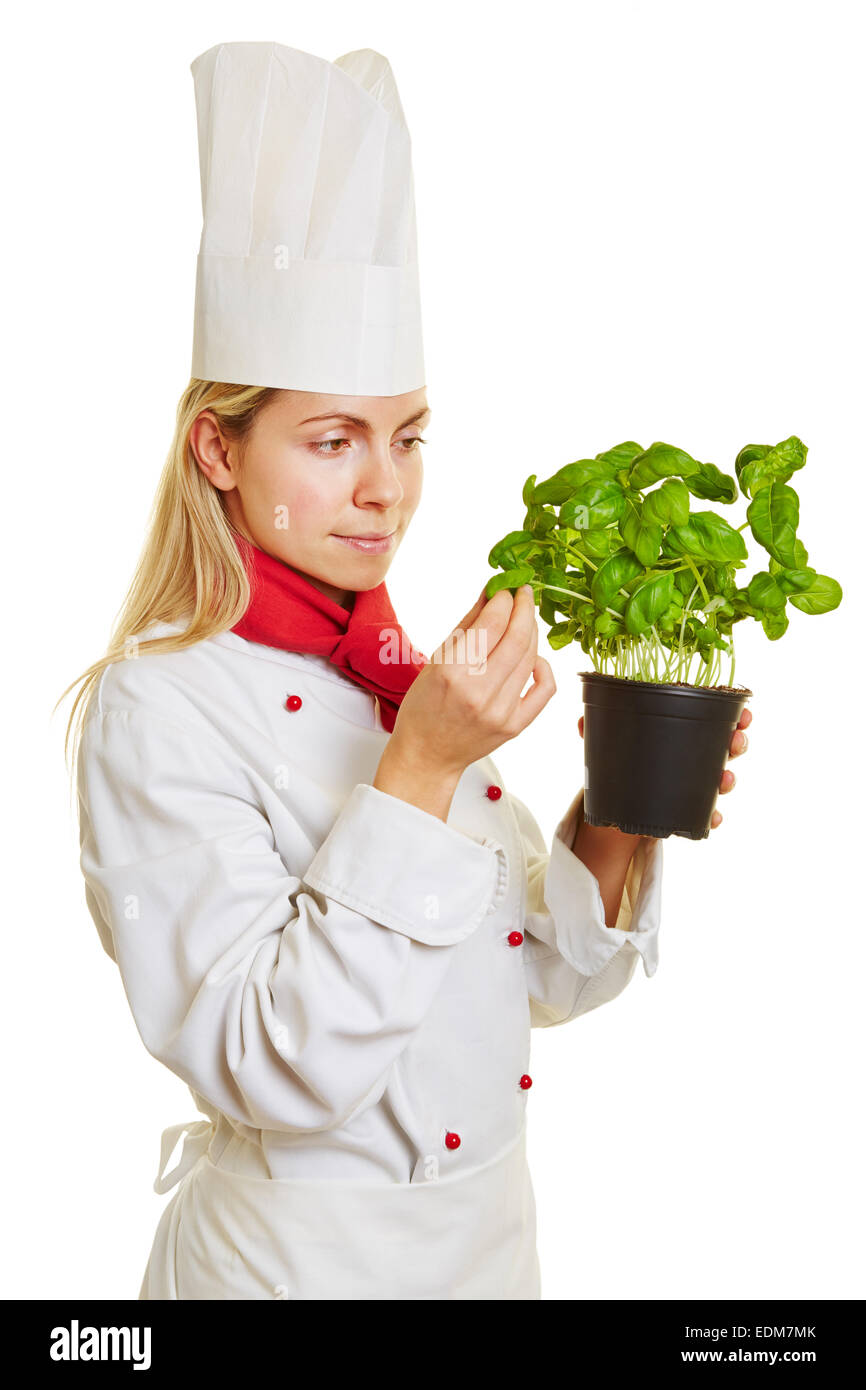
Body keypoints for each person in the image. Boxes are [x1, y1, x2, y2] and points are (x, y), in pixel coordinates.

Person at [60, 41, 748, 1301]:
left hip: (490, 1258)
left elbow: (521, 985)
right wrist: (421, 764)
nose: (386, 488)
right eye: (330, 440)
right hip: (293, 1273)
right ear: (218, 447)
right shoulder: (155, 704)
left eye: (407, 434)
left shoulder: (384, 660)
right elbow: (270, 1061)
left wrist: (614, 814)